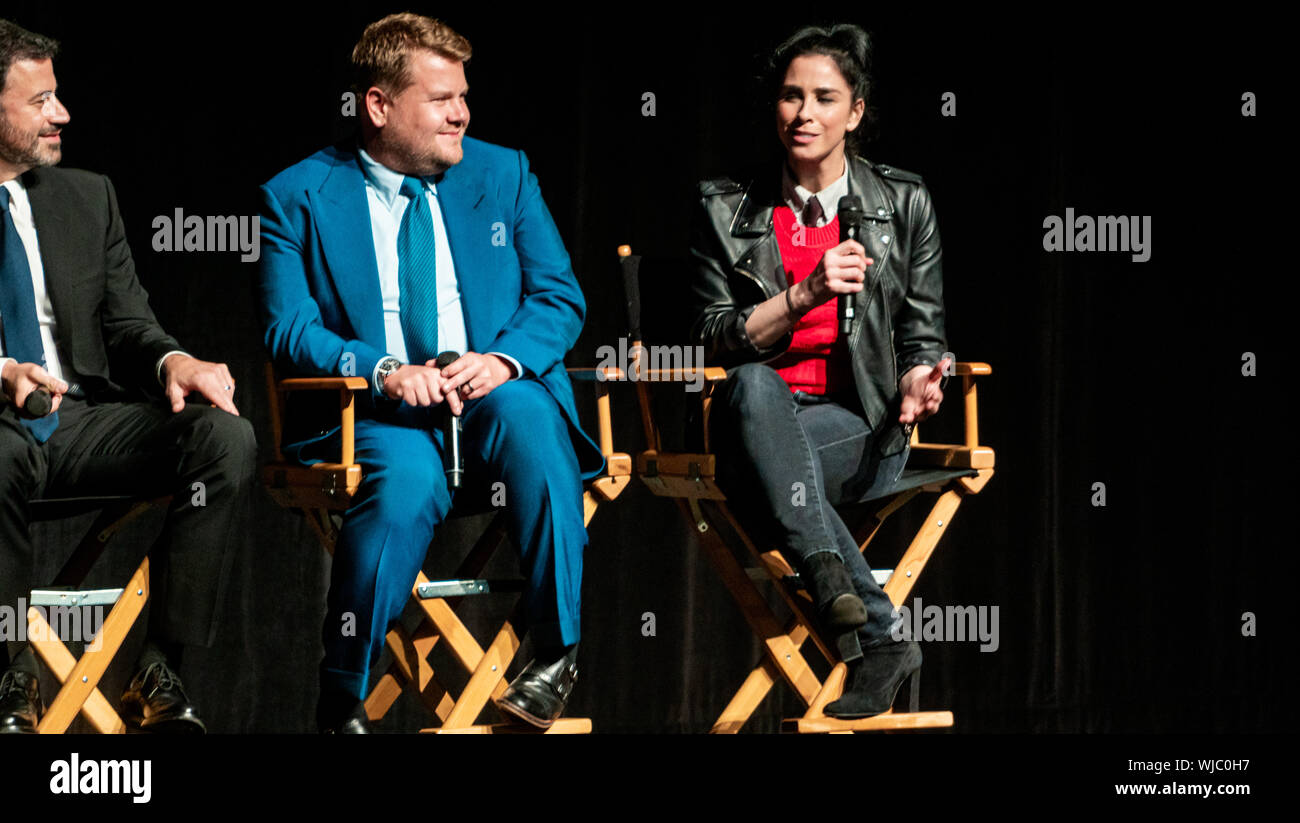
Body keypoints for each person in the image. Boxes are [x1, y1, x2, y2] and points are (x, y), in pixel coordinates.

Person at [258, 13, 603, 732]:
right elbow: (289, 326)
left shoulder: (502, 171)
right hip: (378, 410)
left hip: (485, 392)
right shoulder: (298, 194)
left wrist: (500, 358)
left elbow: (559, 294)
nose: (462, 114)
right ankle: (343, 691)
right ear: (378, 106)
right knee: (406, 479)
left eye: (464, 96)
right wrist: (381, 368)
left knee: (531, 414)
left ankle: (556, 653)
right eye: (442, 99)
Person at [0, 19, 257, 733]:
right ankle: (7, 674)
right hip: (1, 430)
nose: (63, 113)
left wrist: (177, 360)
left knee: (222, 439)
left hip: (79, 421)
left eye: (59, 96)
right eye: (40, 101)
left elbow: (129, 324)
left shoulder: (87, 196)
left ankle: (160, 666)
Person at [689, 23, 949, 718]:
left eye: (824, 98)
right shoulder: (726, 207)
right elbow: (714, 338)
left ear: (855, 111)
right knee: (749, 384)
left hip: (859, 430)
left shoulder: (904, 203)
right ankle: (876, 625)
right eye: (790, 96)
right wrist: (803, 294)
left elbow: (925, 334)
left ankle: (848, 601)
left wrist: (923, 375)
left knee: (763, 471)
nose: (804, 114)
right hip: (752, 422)